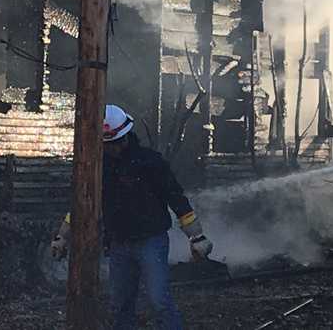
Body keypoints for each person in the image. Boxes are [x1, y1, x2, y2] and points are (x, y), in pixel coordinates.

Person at [51, 104, 212, 330]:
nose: (110, 149)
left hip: (151, 242)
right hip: (119, 244)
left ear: (124, 138)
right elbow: (81, 206)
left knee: (159, 301)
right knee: (121, 304)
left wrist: (196, 237)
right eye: (106, 144)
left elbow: (176, 198)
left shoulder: (149, 162)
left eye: (114, 143)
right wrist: (62, 236)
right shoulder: (98, 167)